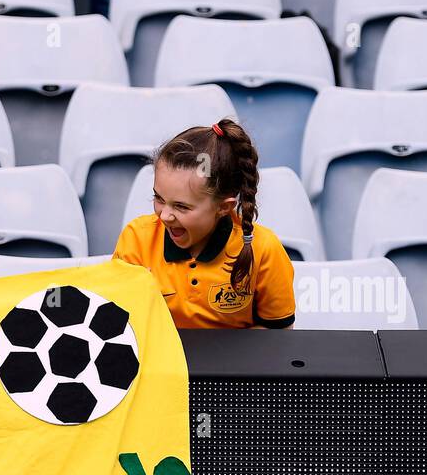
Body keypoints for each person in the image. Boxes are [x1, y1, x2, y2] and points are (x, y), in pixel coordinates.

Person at [112, 119, 294, 329]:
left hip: (238, 362)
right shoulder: (136, 239)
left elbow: (279, 333)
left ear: (224, 207)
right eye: (159, 198)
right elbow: (121, 325)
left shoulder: (264, 249)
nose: (165, 216)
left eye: (181, 206)